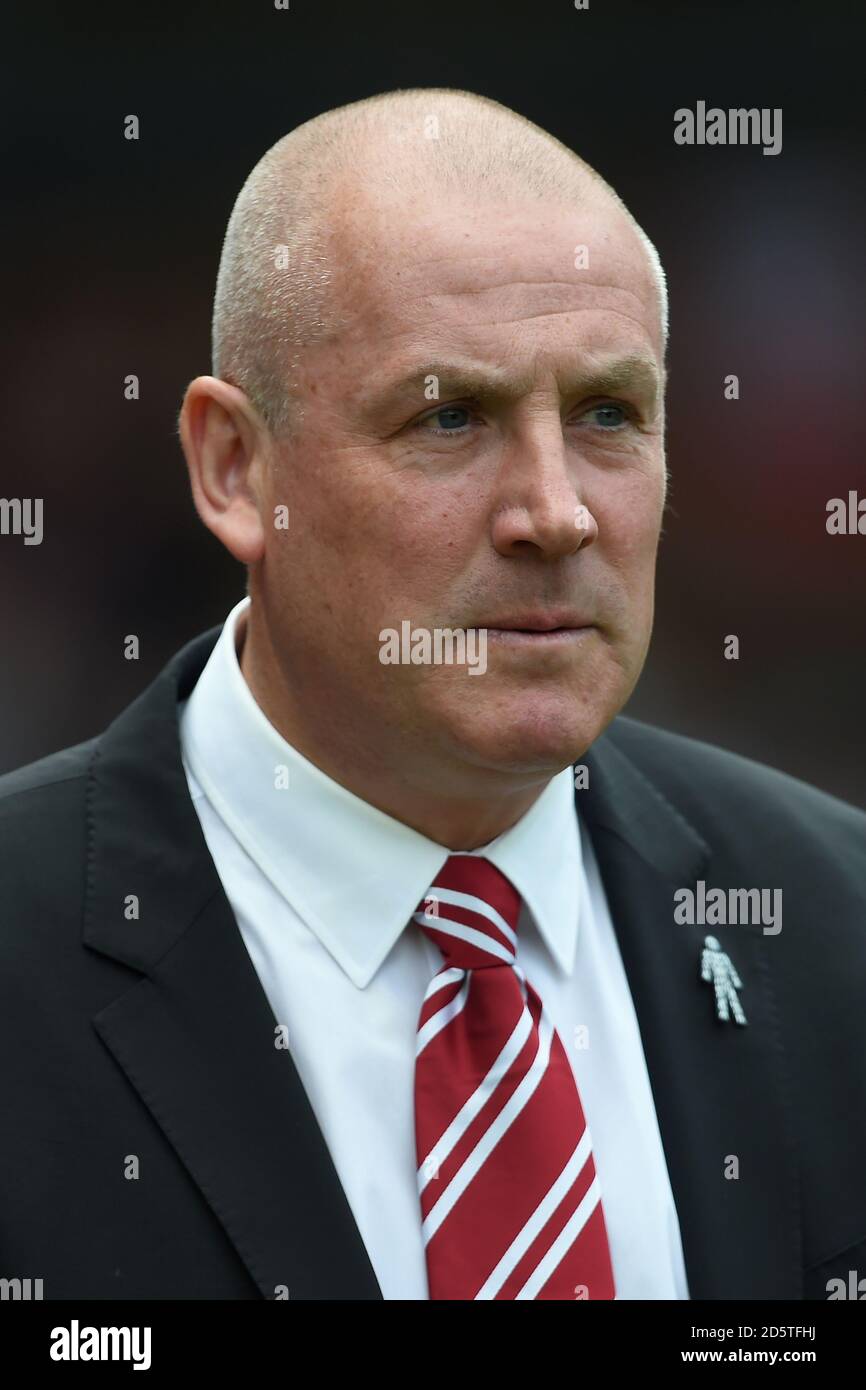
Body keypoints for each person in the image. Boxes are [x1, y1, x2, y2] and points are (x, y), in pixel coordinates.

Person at [1, 88, 864, 1302]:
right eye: (448, 415)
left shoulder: (834, 924)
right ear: (235, 468)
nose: (556, 512)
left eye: (608, 414)